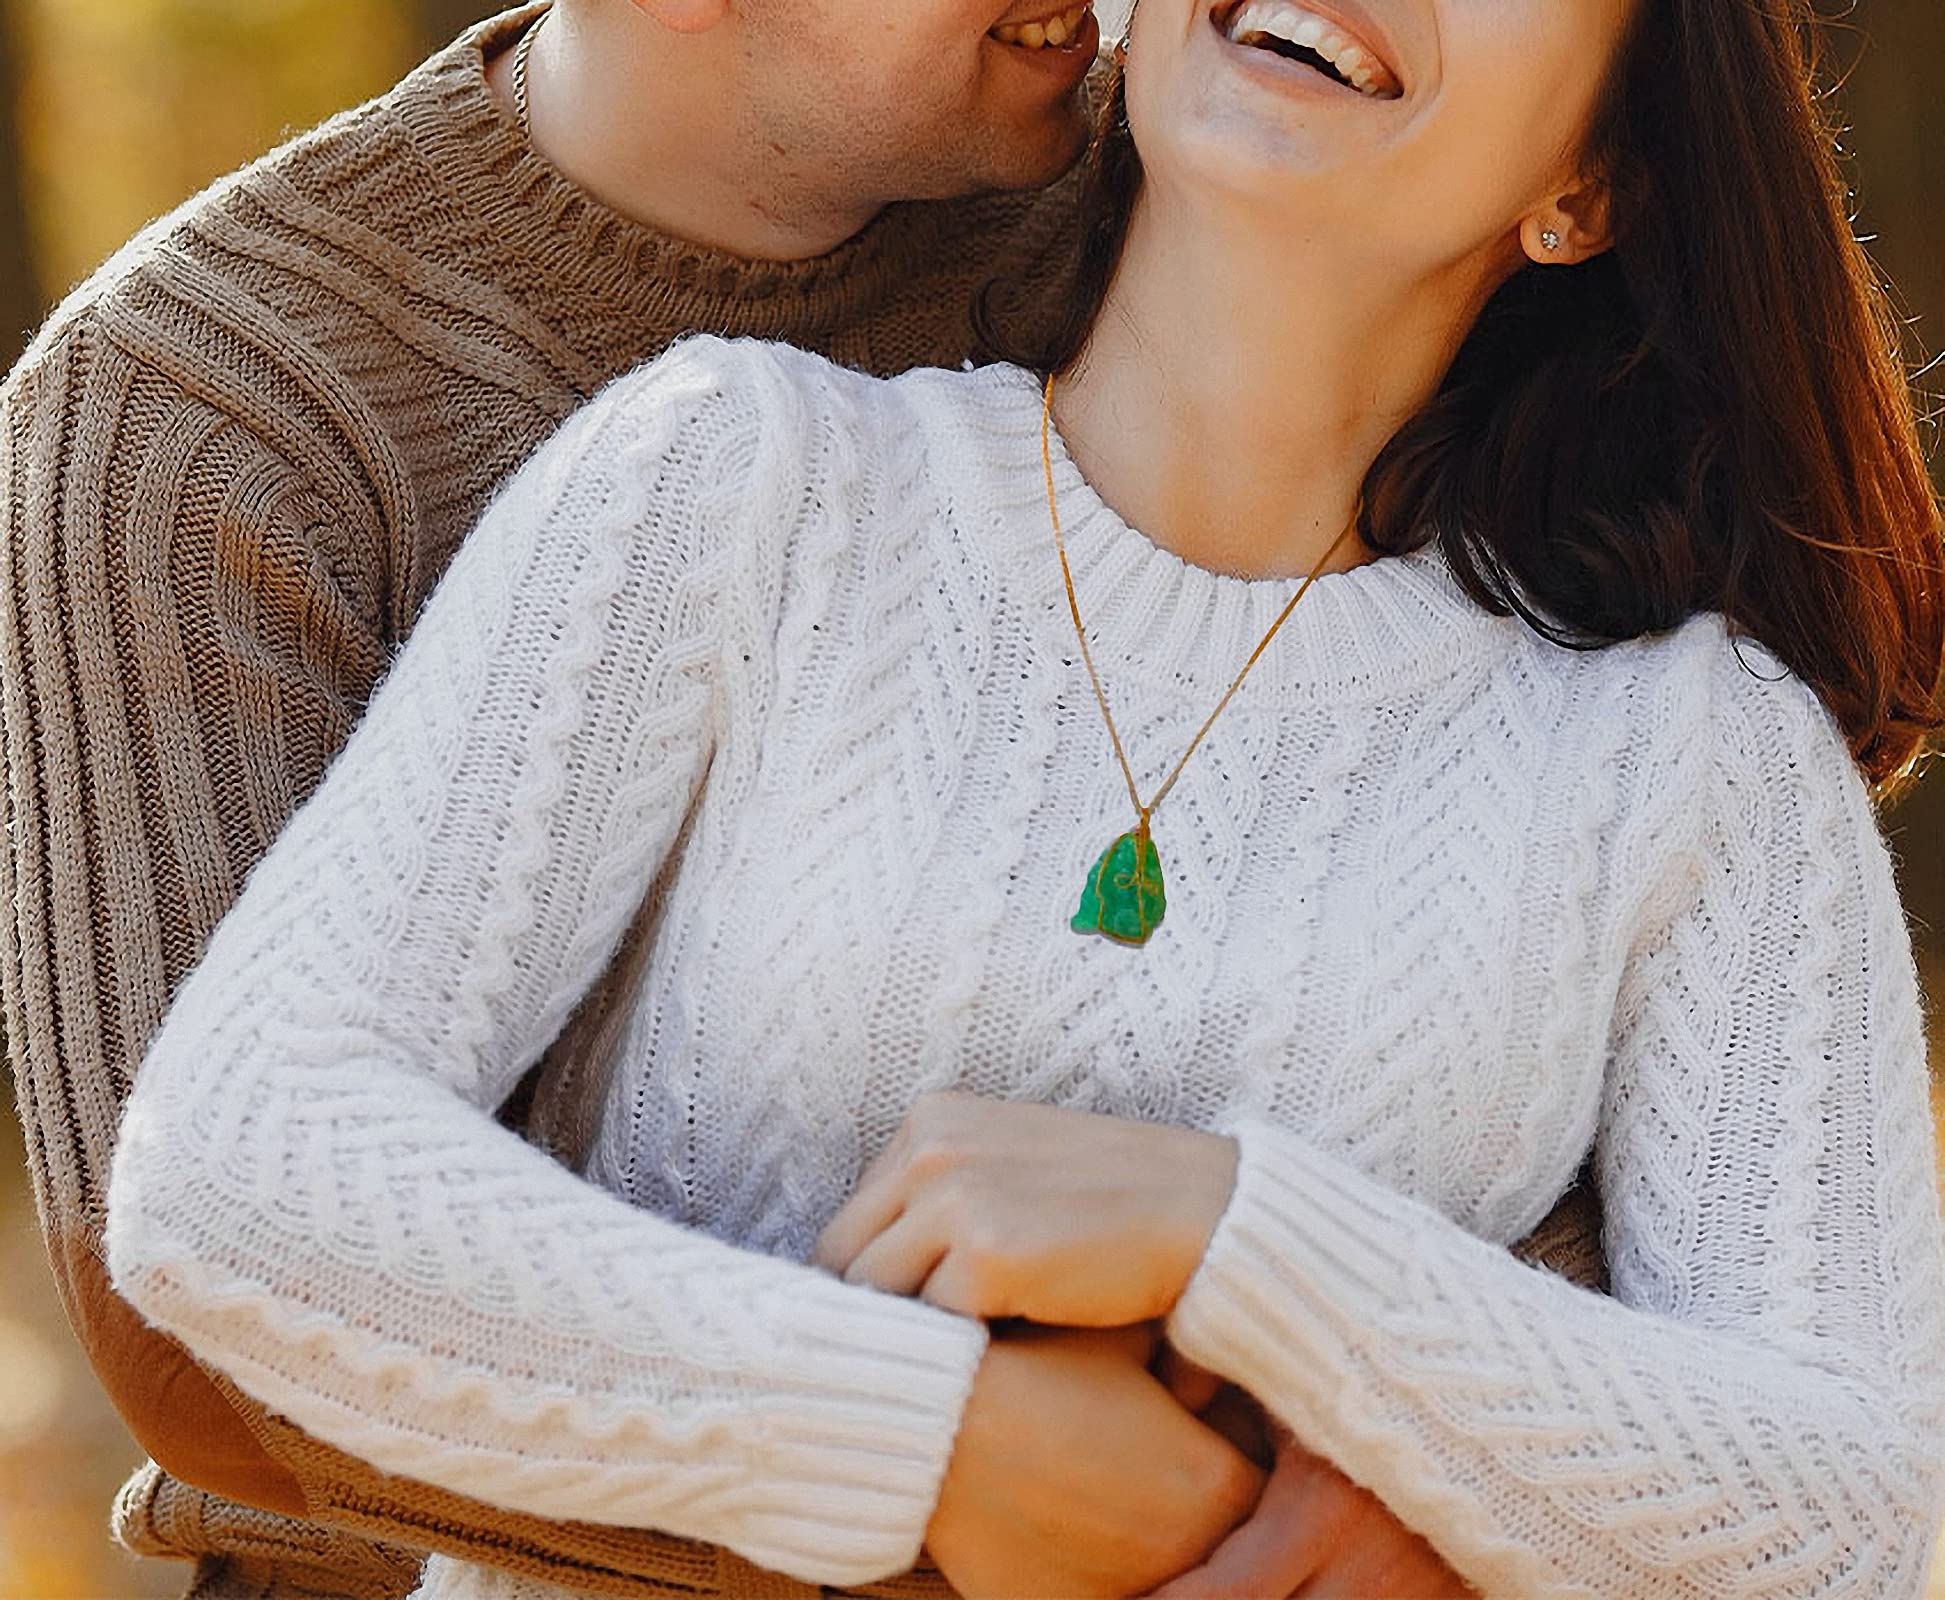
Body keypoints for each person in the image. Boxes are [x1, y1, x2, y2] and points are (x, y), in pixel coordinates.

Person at [92, 0, 1945, 1591]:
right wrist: (935, 1440)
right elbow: (242, 1169)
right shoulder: (737, 483)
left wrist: (1240, 1237)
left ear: (1592, 186)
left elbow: (1858, 1514)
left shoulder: (1690, 755)